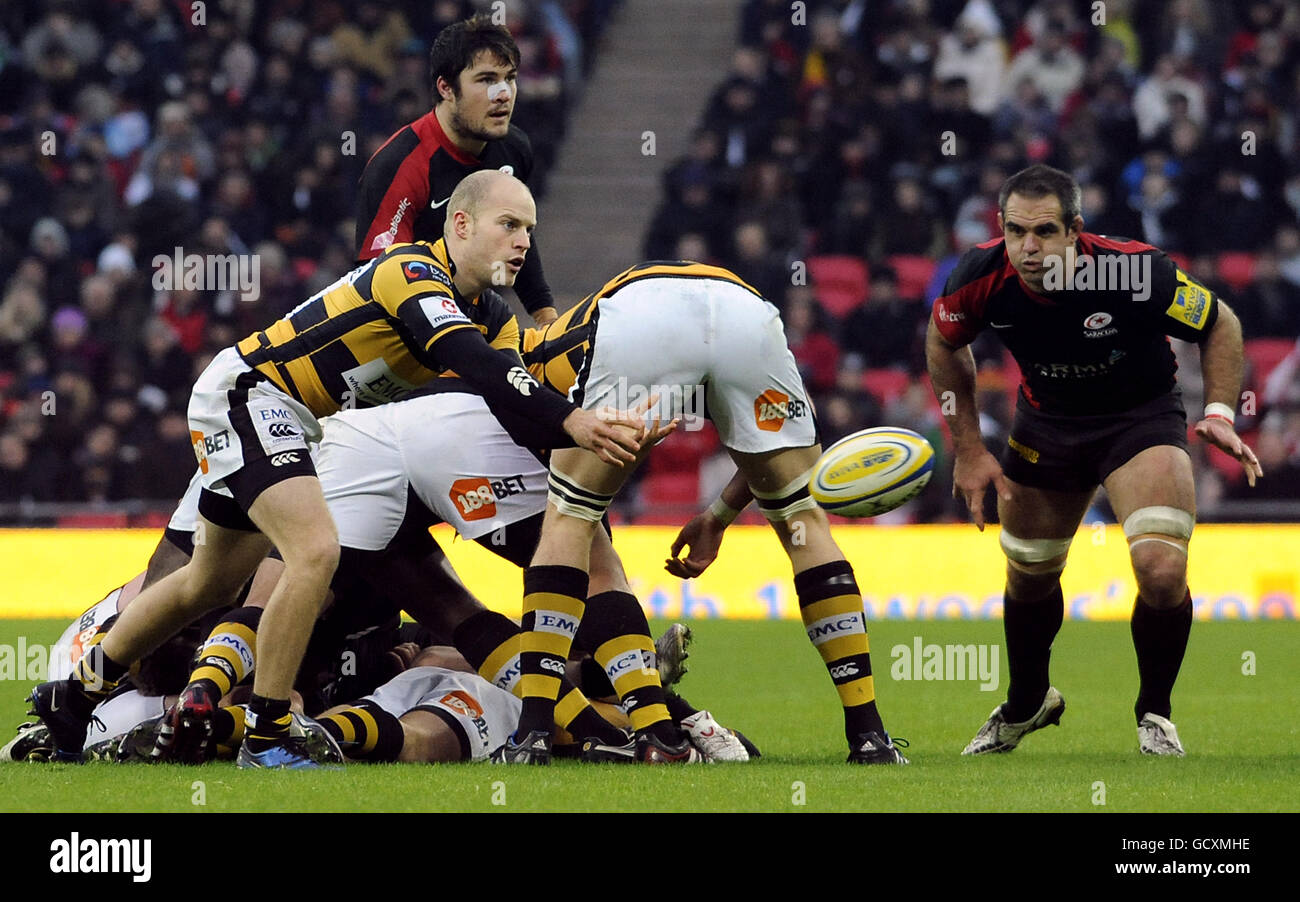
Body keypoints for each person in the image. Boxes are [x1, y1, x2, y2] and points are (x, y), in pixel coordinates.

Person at [28, 171, 648, 768]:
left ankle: (71, 697)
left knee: (208, 585)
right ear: (460, 224)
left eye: (531, 230)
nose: (523, 243)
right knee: (316, 552)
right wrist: (573, 423)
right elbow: (471, 362)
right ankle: (268, 734)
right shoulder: (411, 272)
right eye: (509, 224)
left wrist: (601, 425)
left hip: (291, 422)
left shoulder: (491, 317)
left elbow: (514, 394)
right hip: (249, 396)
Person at [497, 260, 908, 765]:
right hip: (746, 312)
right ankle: (870, 737)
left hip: (642, 316)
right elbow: (763, 458)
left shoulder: (527, 356)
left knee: (570, 517)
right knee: (801, 516)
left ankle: (532, 736)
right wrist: (718, 515)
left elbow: (552, 445)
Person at [924, 164, 1262, 757]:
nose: (1029, 248)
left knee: (1160, 570)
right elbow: (943, 343)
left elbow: (1219, 323)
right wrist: (971, 449)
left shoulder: (1133, 271)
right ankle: (1028, 703)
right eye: (1015, 230)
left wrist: (1219, 412)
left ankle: (1155, 713)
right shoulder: (979, 276)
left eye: (1045, 231)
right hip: (1046, 424)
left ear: (1075, 230)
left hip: (1140, 418)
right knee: (1028, 573)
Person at [356, 15, 558, 326]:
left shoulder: (515, 148)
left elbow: (517, 237)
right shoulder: (397, 167)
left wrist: (546, 316)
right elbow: (381, 289)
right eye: (487, 80)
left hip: (467, 320)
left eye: (510, 78)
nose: (503, 93)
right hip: (400, 336)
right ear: (446, 88)